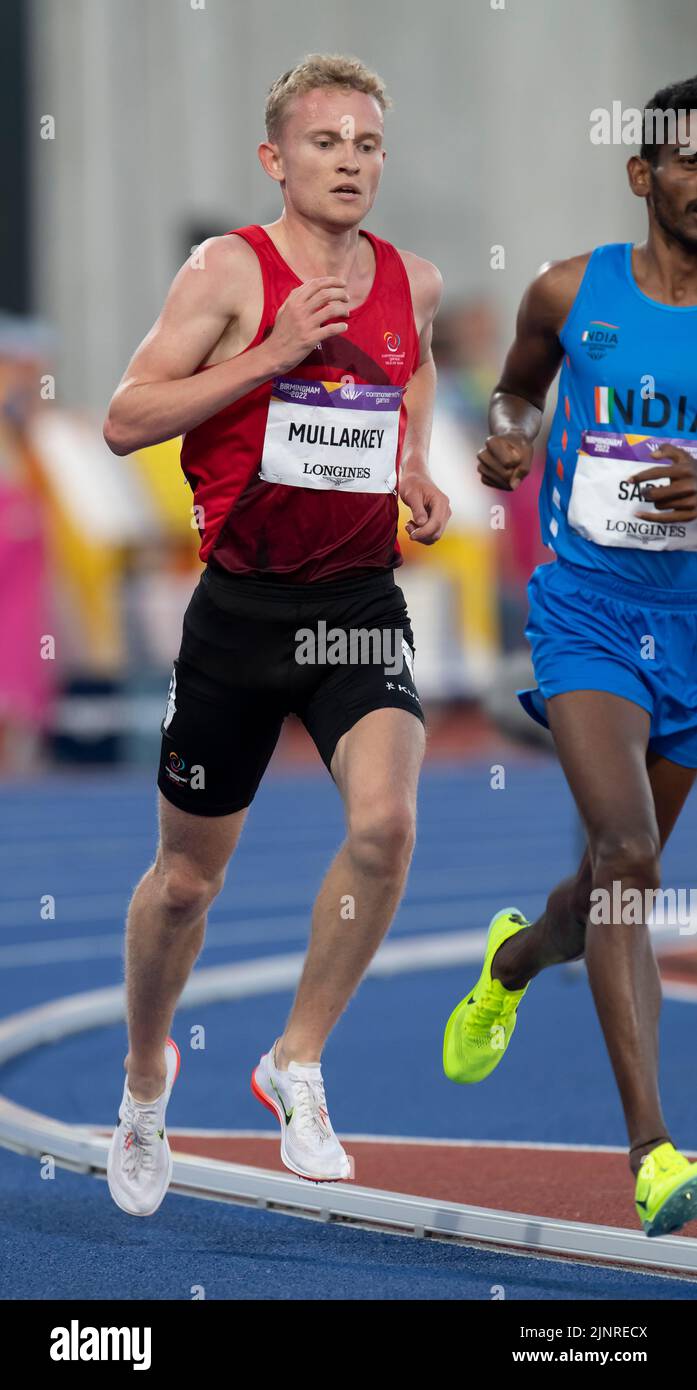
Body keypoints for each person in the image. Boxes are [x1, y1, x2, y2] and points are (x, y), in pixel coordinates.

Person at [103, 53, 448, 1216]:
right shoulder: (228, 272)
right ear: (275, 159)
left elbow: (414, 371)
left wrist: (413, 467)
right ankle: (148, 1079)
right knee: (189, 883)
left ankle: (294, 1059)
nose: (349, 162)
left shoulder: (414, 279)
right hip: (239, 617)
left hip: (355, 604)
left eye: (366, 145)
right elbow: (122, 418)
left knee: (388, 822)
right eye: (324, 143)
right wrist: (271, 353)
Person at [443, 76, 697, 1238]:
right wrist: (506, 444)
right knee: (628, 854)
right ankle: (653, 1150)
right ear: (642, 175)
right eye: (687, 161)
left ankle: (512, 959)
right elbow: (514, 394)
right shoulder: (567, 288)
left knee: (604, 883)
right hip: (586, 604)